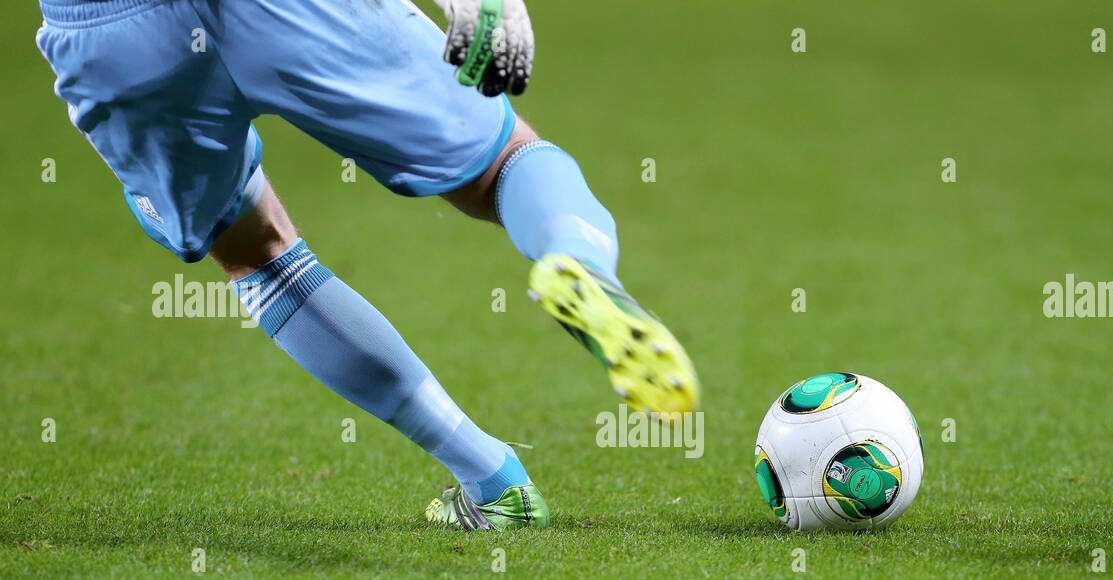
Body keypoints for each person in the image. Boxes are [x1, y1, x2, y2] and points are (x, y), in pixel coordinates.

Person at [35, 0, 699, 530]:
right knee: (500, 165)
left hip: (110, 33)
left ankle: (494, 481)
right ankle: (581, 267)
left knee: (252, 251)